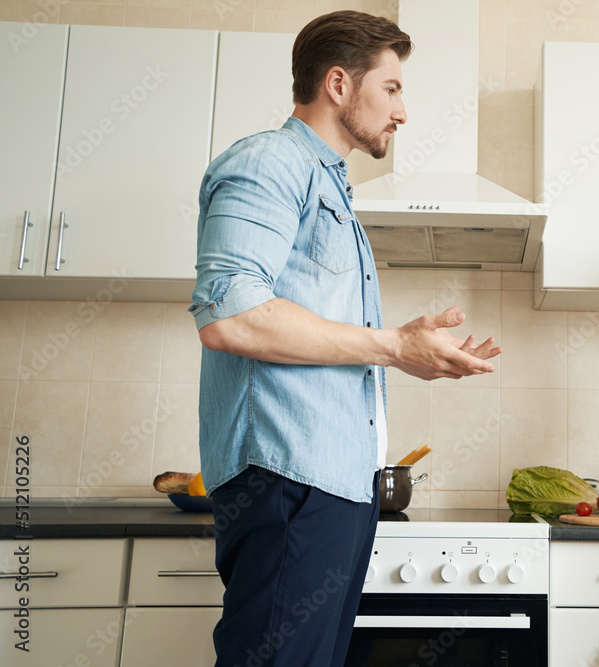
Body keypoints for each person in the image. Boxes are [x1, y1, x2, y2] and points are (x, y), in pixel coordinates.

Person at [188, 11, 501, 667]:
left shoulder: (332, 187)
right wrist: (393, 346)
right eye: (391, 89)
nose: (404, 111)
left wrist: (409, 350)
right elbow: (230, 312)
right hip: (289, 478)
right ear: (337, 84)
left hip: (334, 487)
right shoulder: (271, 161)